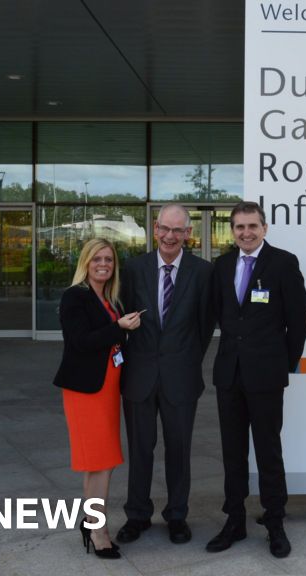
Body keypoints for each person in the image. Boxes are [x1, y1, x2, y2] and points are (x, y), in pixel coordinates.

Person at [206, 201, 306, 558]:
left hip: (265, 375)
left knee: (268, 451)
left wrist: (284, 363)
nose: (246, 233)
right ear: (231, 231)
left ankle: (275, 522)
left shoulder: (283, 263)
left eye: (252, 226)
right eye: (239, 227)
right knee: (232, 453)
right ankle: (234, 520)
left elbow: (299, 320)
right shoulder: (221, 266)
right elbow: (218, 315)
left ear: (264, 228)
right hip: (229, 375)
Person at [116, 203, 214, 545]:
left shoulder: (203, 272)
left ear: (188, 233)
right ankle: (137, 515)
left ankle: (177, 516)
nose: (170, 236)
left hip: (181, 377)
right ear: (155, 230)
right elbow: (123, 318)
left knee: (179, 450)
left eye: (178, 230)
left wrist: (183, 360)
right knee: (140, 449)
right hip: (139, 377)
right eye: (164, 229)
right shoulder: (133, 268)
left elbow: (204, 327)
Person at [53, 238, 142, 559]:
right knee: (101, 463)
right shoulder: (75, 297)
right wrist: (119, 328)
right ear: (86, 263)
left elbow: (111, 343)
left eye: (108, 259)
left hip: (106, 390)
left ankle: (92, 522)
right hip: (86, 392)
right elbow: (80, 341)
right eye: (97, 260)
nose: (103, 264)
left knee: (99, 464)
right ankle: (98, 529)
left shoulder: (109, 298)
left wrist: (122, 327)